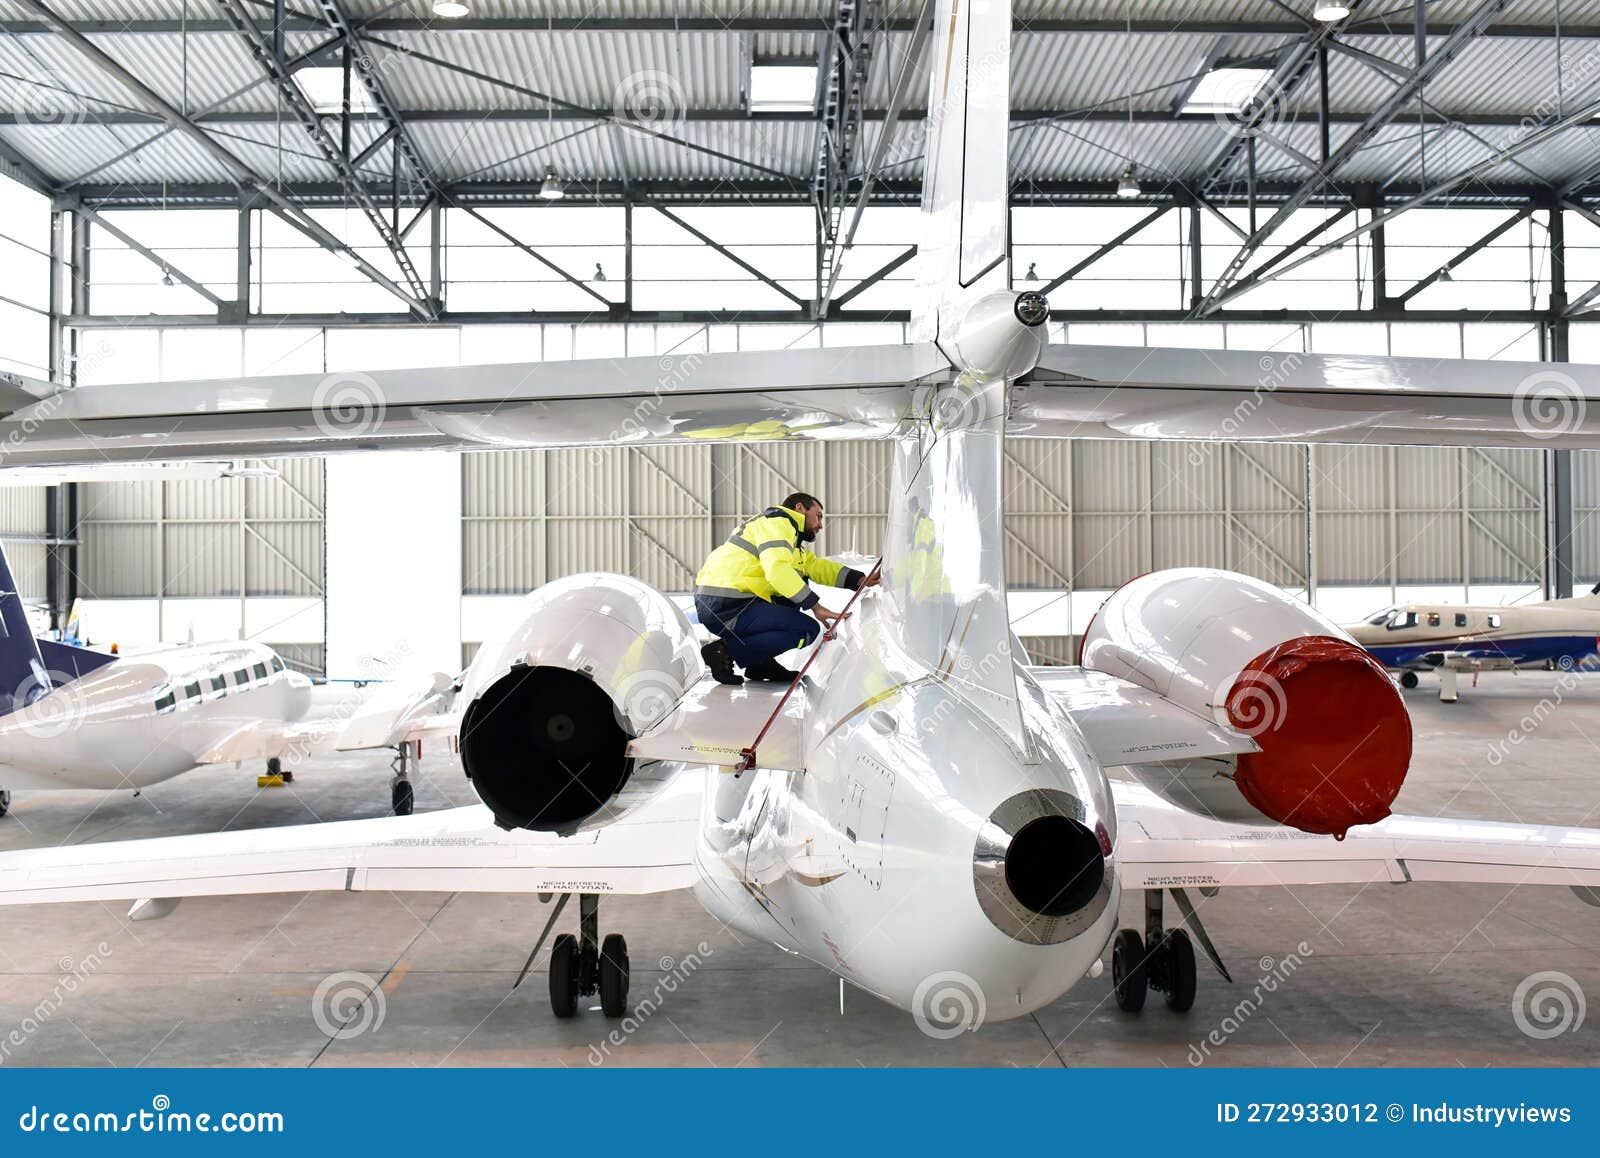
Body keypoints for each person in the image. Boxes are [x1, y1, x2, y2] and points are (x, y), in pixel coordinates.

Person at [693, 492, 878, 685]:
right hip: (728, 603)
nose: (820, 525)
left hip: (725, 600)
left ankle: (759, 662)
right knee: (806, 630)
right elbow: (777, 570)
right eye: (818, 516)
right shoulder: (778, 523)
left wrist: (859, 579)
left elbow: (816, 567)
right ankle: (724, 651)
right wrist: (816, 606)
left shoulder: (787, 541)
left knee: (792, 592)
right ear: (799, 508)